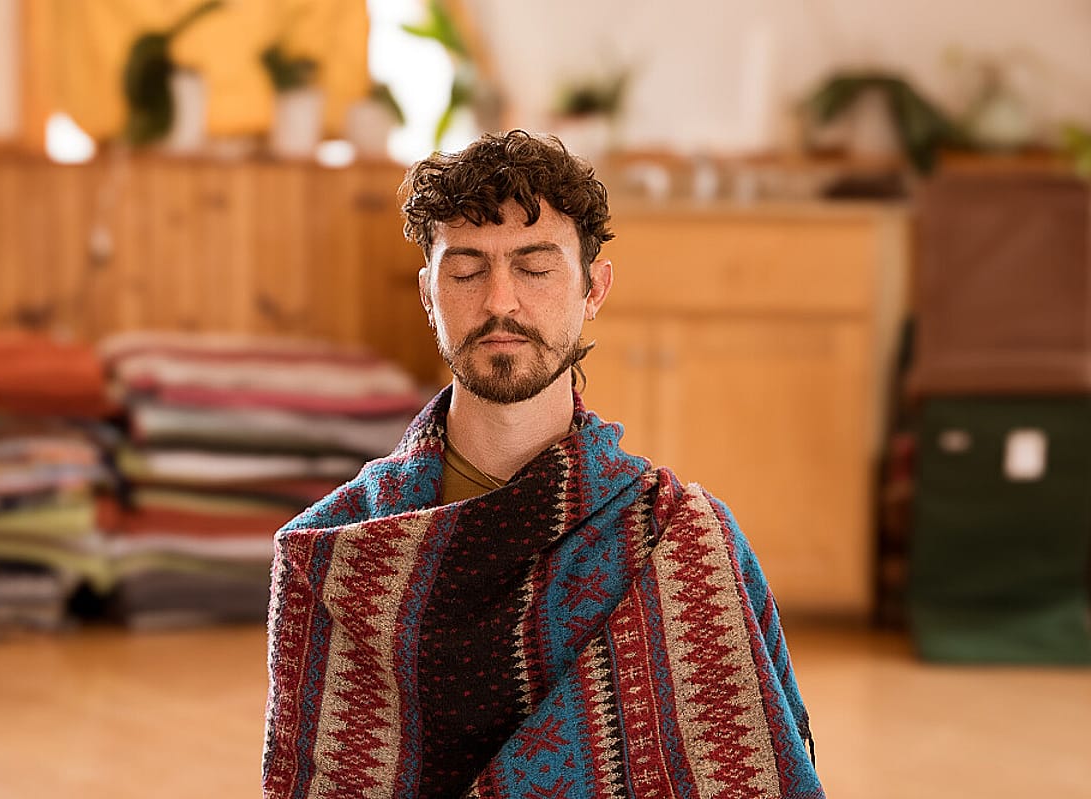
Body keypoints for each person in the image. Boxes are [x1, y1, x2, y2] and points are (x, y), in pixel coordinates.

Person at [263, 130, 825, 799]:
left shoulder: (680, 541)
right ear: (427, 293)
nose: (501, 301)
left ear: (594, 287)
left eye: (535, 267)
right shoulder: (333, 559)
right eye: (467, 269)